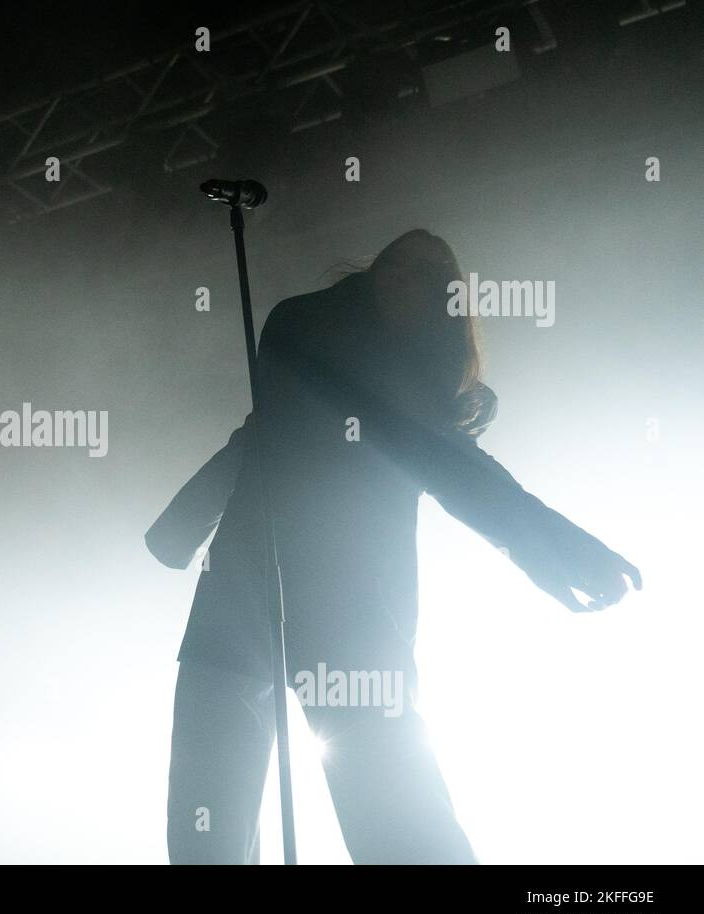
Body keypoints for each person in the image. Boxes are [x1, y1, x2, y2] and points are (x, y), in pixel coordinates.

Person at [147, 229, 642, 864]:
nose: (402, 272)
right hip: (263, 597)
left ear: (442, 303)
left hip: (328, 608)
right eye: (395, 262)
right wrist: (553, 548)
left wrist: (554, 547)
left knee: (396, 817)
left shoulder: (370, 376)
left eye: (423, 273)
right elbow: (280, 429)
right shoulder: (306, 331)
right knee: (211, 826)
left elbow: (443, 464)